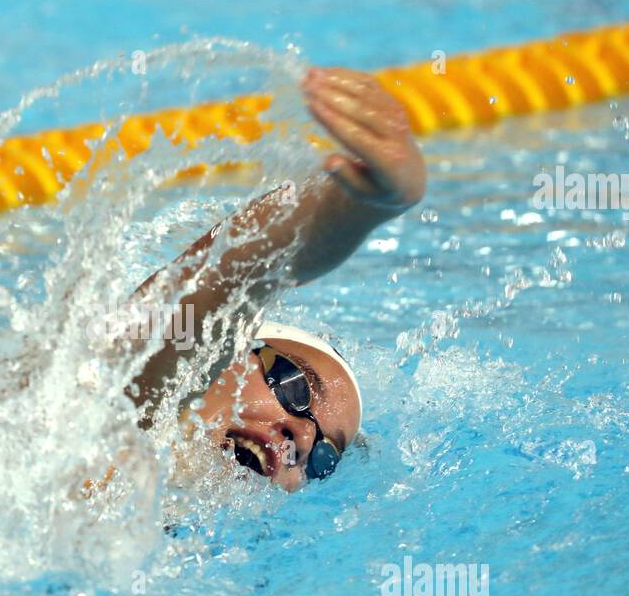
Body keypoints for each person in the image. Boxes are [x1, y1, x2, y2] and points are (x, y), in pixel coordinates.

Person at [124, 67, 426, 492]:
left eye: (324, 459)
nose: (303, 438)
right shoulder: (112, 402)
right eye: (295, 385)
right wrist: (368, 204)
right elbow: (233, 275)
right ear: (232, 348)